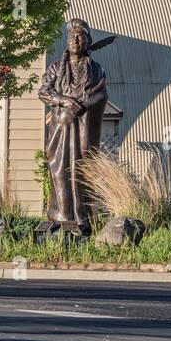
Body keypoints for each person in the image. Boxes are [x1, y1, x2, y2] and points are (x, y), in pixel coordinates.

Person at [38, 18, 110, 235]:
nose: (75, 40)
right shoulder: (55, 68)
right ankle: (61, 215)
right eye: (71, 37)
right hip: (61, 130)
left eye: (79, 36)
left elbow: (100, 95)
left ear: (87, 41)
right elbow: (43, 92)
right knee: (59, 170)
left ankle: (82, 216)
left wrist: (82, 105)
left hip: (83, 130)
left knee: (81, 170)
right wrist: (64, 101)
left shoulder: (96, 70)